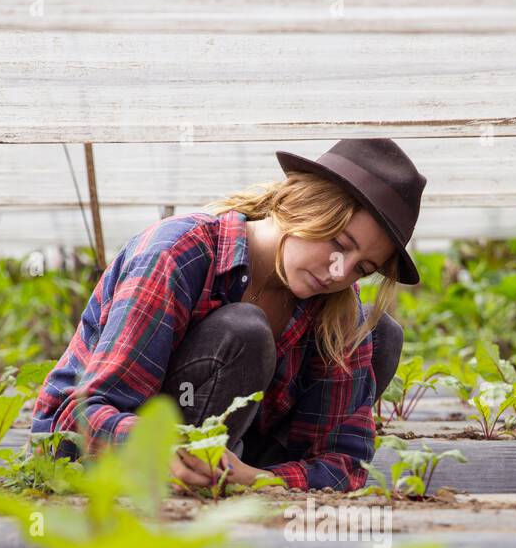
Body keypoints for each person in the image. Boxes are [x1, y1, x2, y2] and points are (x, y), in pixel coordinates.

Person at [31, 138, 428, 493]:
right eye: (340, 243)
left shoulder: (337, 305)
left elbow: (344, 463)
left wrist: (256, 478)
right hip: (103, 449)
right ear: (300, 204)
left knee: (378, 333)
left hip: (237, 458)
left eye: (362, 267)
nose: (340, 272)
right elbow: (81, 417)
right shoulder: (175, 254)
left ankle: (219, 479)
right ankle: (185, 483)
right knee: (245, 331)